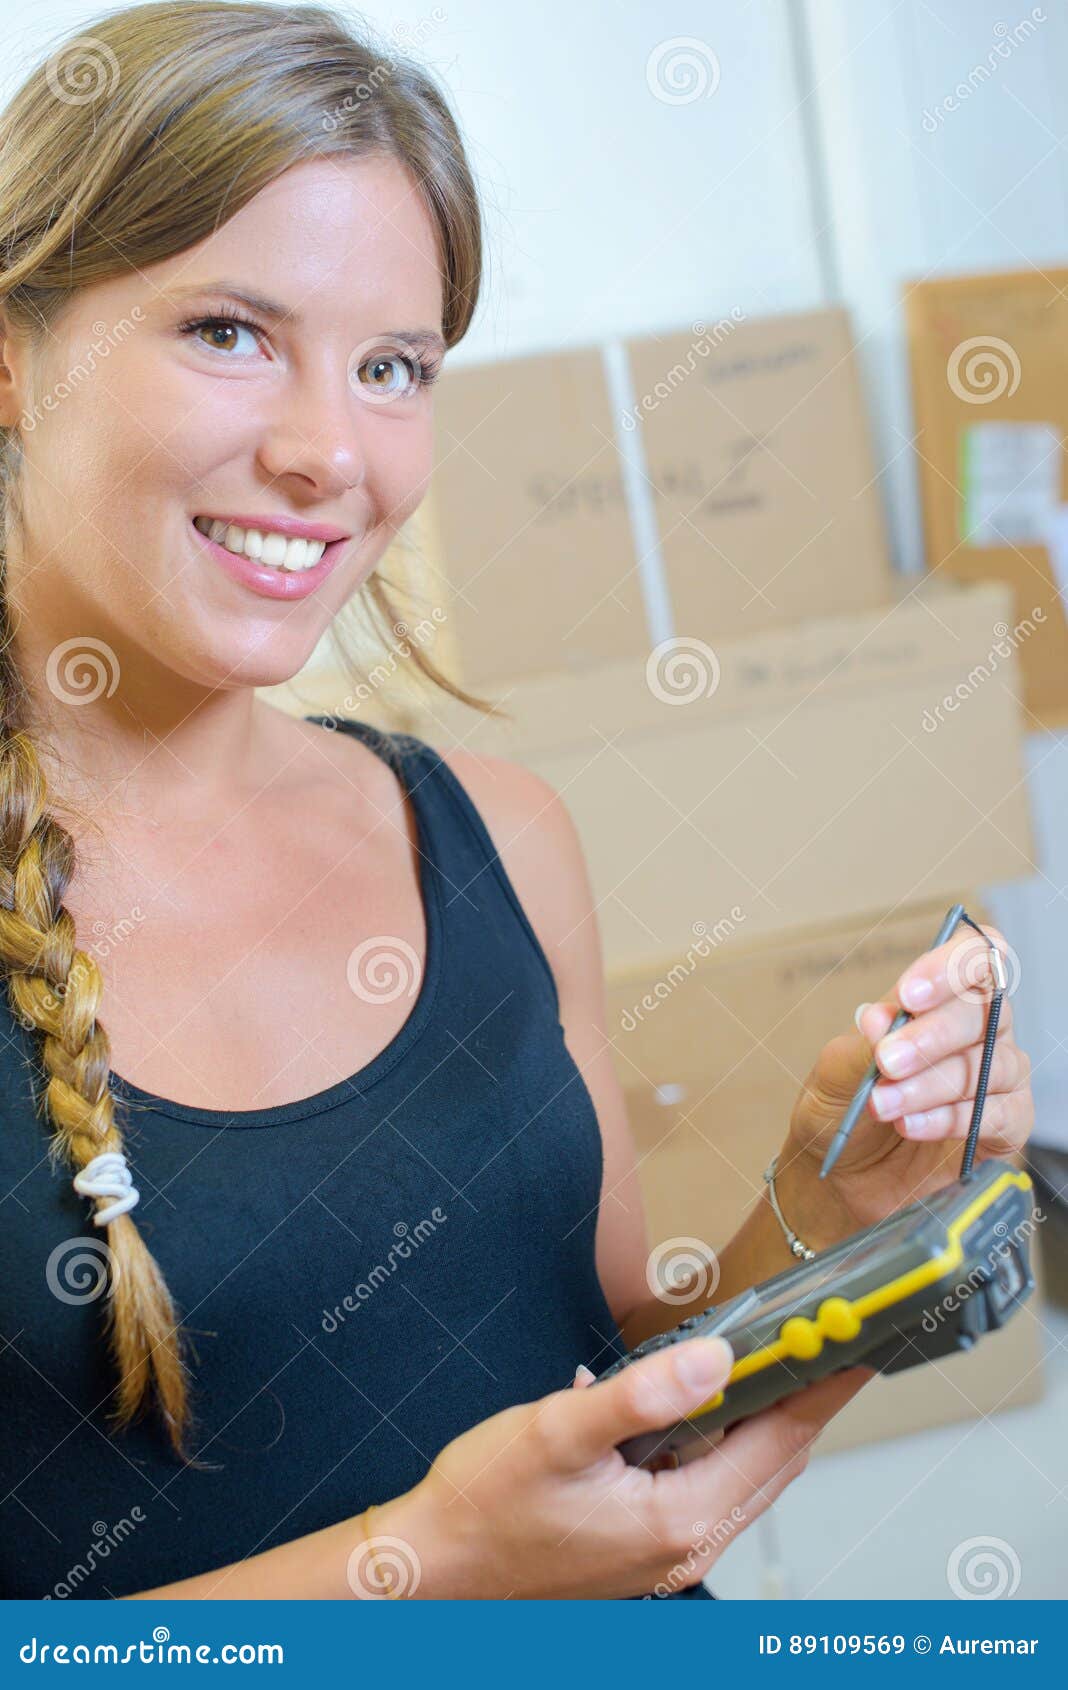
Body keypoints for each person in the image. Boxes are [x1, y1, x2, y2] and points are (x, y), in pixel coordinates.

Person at [0, 2, 1034, 1602]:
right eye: (229, 333)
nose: (329, 451)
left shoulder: (494, 838)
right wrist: (418, 1568)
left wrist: (829, 1202)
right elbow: (478, 1542)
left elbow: (604, 1377)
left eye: (392, 367)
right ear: (15, 358)